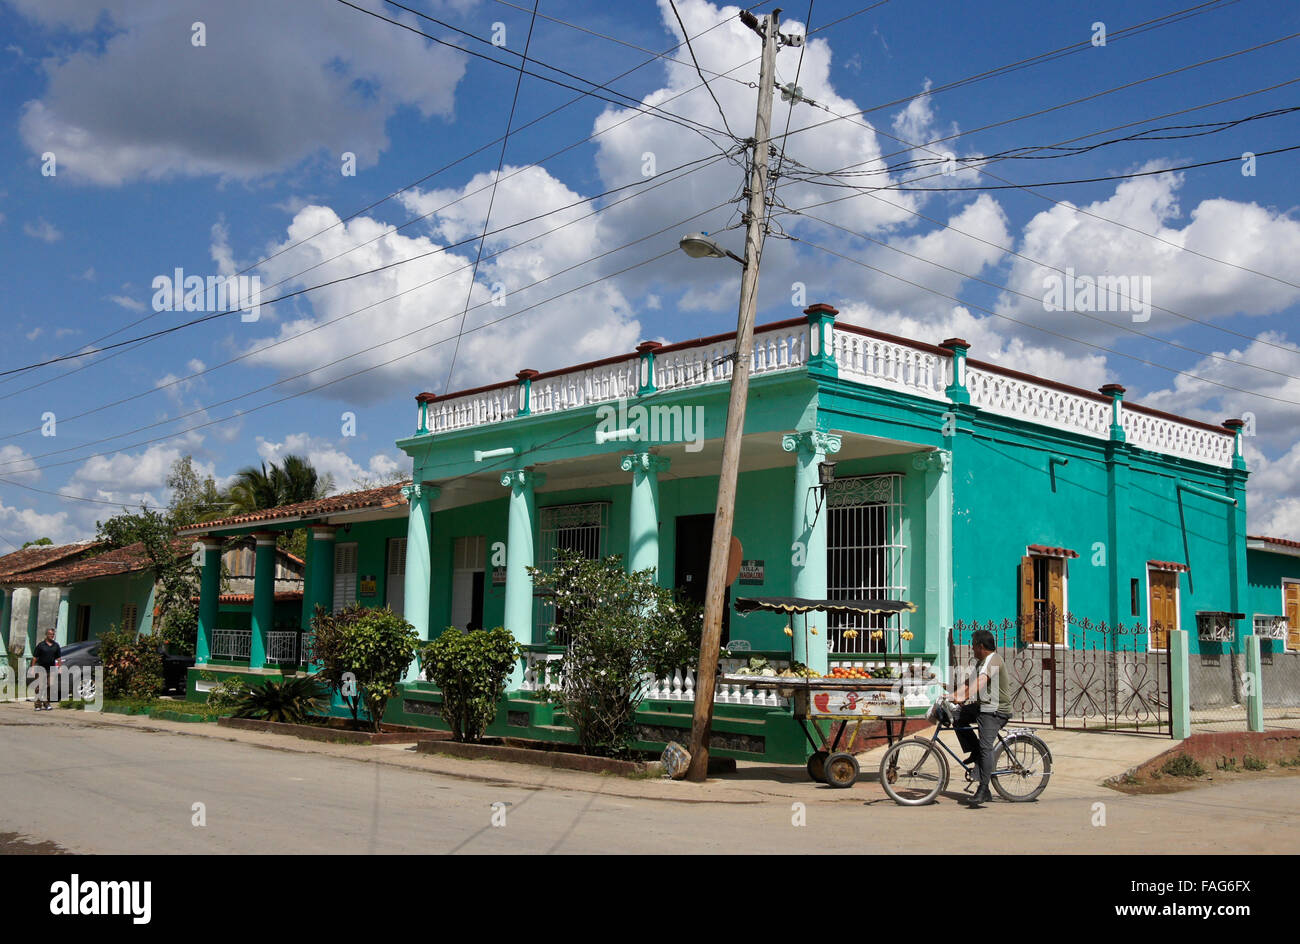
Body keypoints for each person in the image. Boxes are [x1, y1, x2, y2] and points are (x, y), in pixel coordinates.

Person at [947, 629, 1012, 805]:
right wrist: (951, 696)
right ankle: (975, 753)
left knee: (986, 747)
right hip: (982, 707)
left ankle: (984, 789)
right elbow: (969, 684)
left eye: (974, 645)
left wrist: (963, 697)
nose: (972, 649)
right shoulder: (981, 662)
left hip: (996, 710)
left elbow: (980, 682)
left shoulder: (994, 660)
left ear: (981, 646)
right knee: (956, 716)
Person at [32, 627, 60, 711]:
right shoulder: (41, 645)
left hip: (51, 669)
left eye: (53, 634)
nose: (52, 636)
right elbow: (34, 658)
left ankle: (46, 703)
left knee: (50, 686)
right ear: (46, 635)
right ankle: (38, 704)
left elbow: (58, 658)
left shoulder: (56, 645)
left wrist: (60, 667)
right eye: (50, 634)